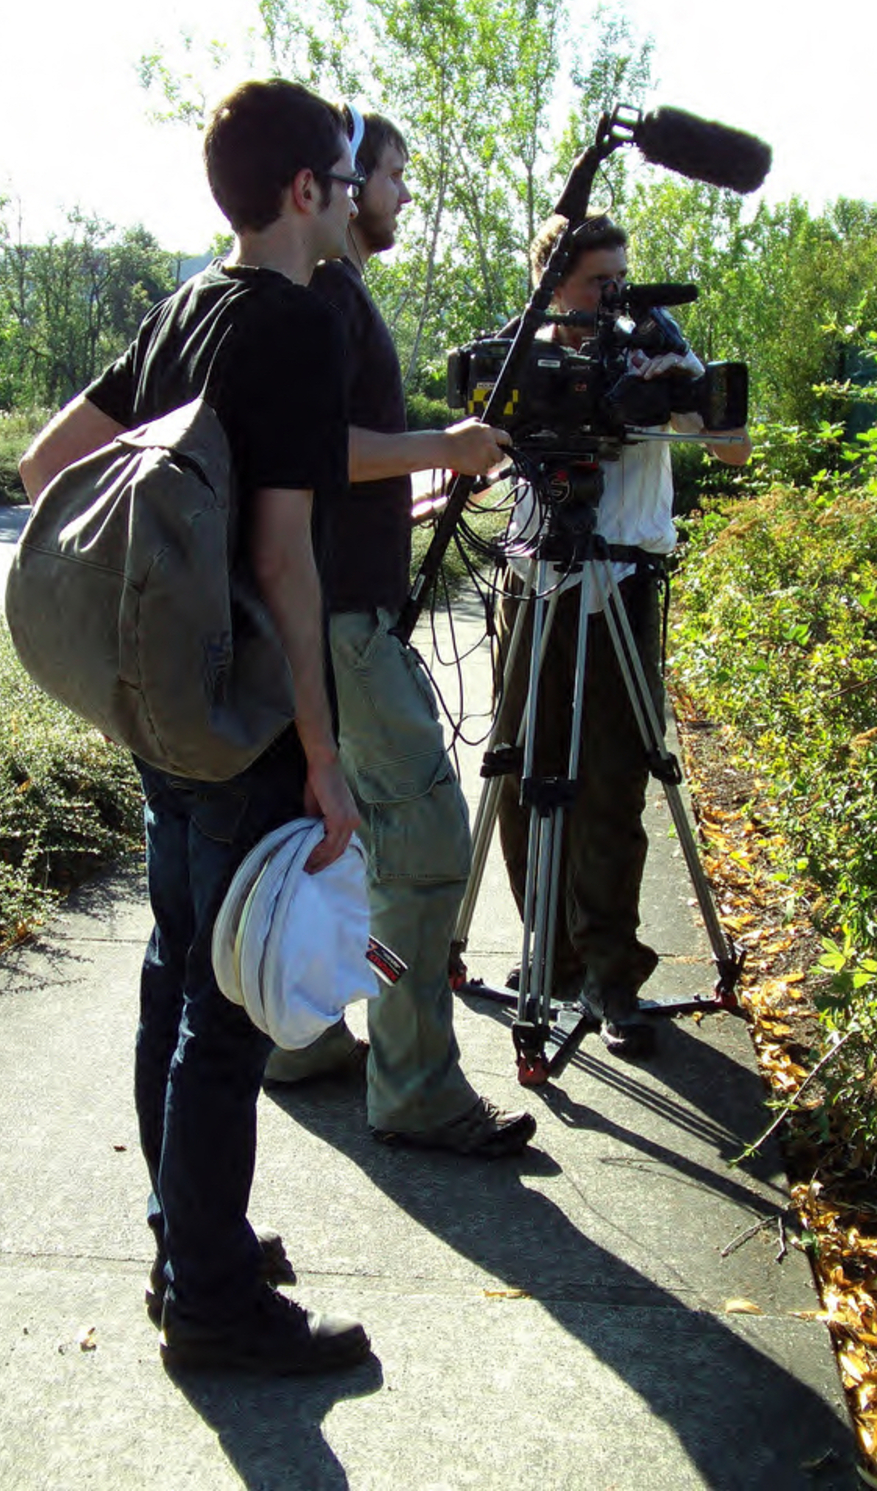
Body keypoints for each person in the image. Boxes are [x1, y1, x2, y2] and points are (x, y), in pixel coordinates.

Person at [17, 79, 371, 1374]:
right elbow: (286, 565)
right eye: (340, 176)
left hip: (160, 712)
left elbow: (48, 464)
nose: (347, 198)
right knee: (222, 1018)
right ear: (300, 192)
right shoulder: (292, 325)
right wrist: (325, 761)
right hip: (242, 722)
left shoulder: (183, 309)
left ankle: (187, 1241)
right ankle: (213, 1307)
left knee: (175, 979)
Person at [264, 113, 538, 1160]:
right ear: (338, 182)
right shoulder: (327, 296)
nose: (398, 195)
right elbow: (315, 447)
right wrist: (446, 442)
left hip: (338, 607)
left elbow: (328, 471)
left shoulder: (327, 293)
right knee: (421, 845)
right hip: (342, 624)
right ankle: (415, 1085)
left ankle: (298, 1043)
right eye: (389, 177)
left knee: (340, 840)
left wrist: (421, 491)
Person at [494, 212, 752, 1055]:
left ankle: (612, 977)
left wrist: (685, 387)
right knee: (525, 771)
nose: (615, 296)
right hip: (537, 576)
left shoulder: (655, 345)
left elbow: (734, 452)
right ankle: (551, 962)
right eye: (598, 281)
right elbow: (478, 443)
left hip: (624, 578)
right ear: (552, 283)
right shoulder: (521, 352)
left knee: (612, 783)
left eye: (621, 279)